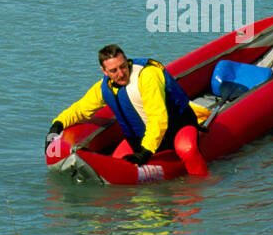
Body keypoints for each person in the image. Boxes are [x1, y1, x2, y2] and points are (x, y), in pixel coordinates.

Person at [46, 44, 208, 176]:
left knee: (187, 148)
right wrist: (57, 125)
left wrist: (146, 151)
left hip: (176, 128)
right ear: (104, 71)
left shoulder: (147, 76)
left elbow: (158, 118)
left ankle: (200, 188)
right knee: (117, 160)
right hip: (141, 138)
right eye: (114, 71)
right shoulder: (105, 87)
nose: (121, 74)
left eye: (123, 66)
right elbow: (81, 109)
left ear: (127, 61)